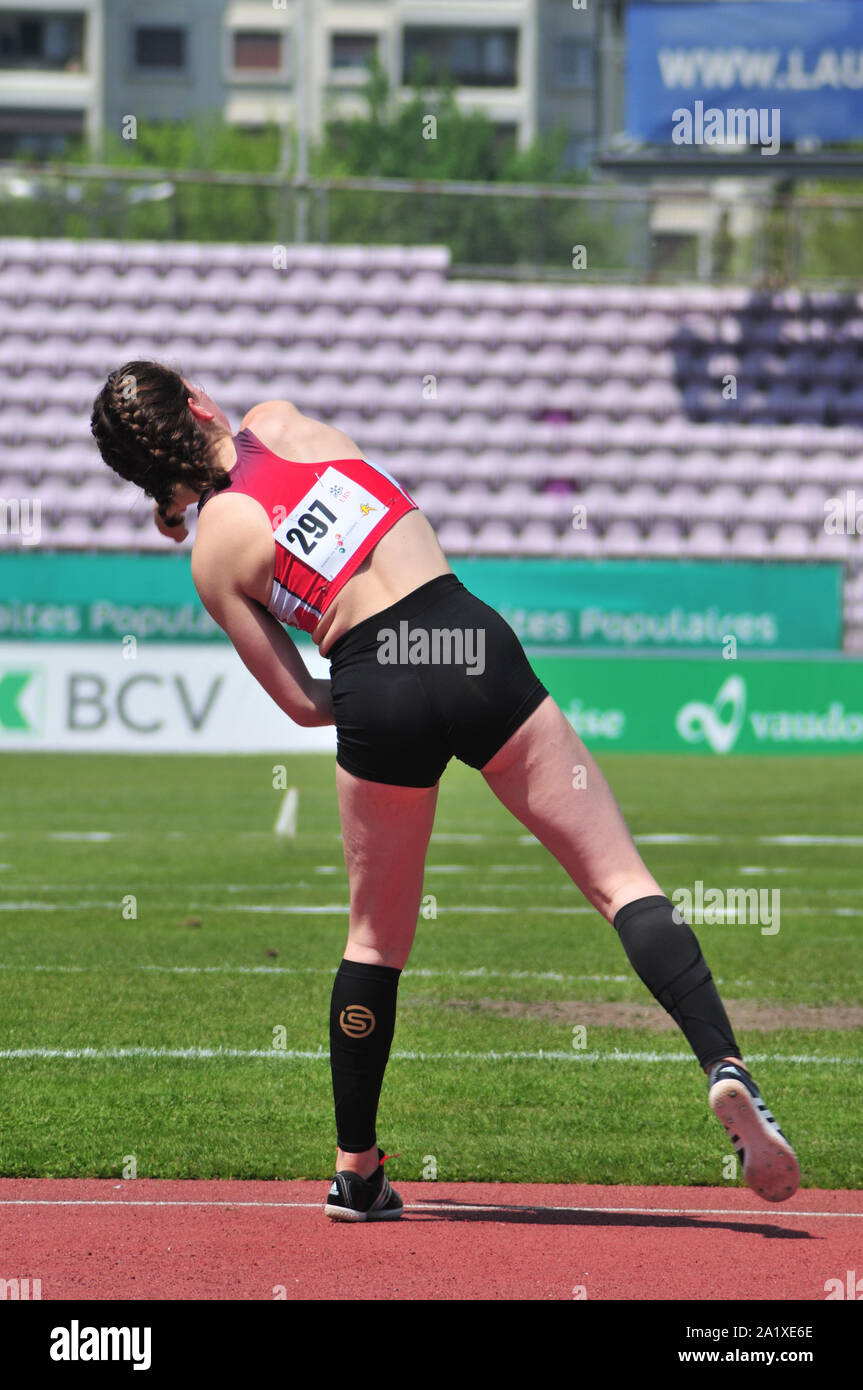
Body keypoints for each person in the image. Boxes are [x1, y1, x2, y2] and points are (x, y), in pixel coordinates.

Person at [91, 361, 801, 1220]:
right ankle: (723, 1065)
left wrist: (360, 678)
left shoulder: (211, 554)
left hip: (369, 679)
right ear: (198, 402)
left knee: (374, 941)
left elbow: (303, 705)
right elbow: (299, 478)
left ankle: (357, 1172)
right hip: (465, 638)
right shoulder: (280, 419)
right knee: (620, 881)